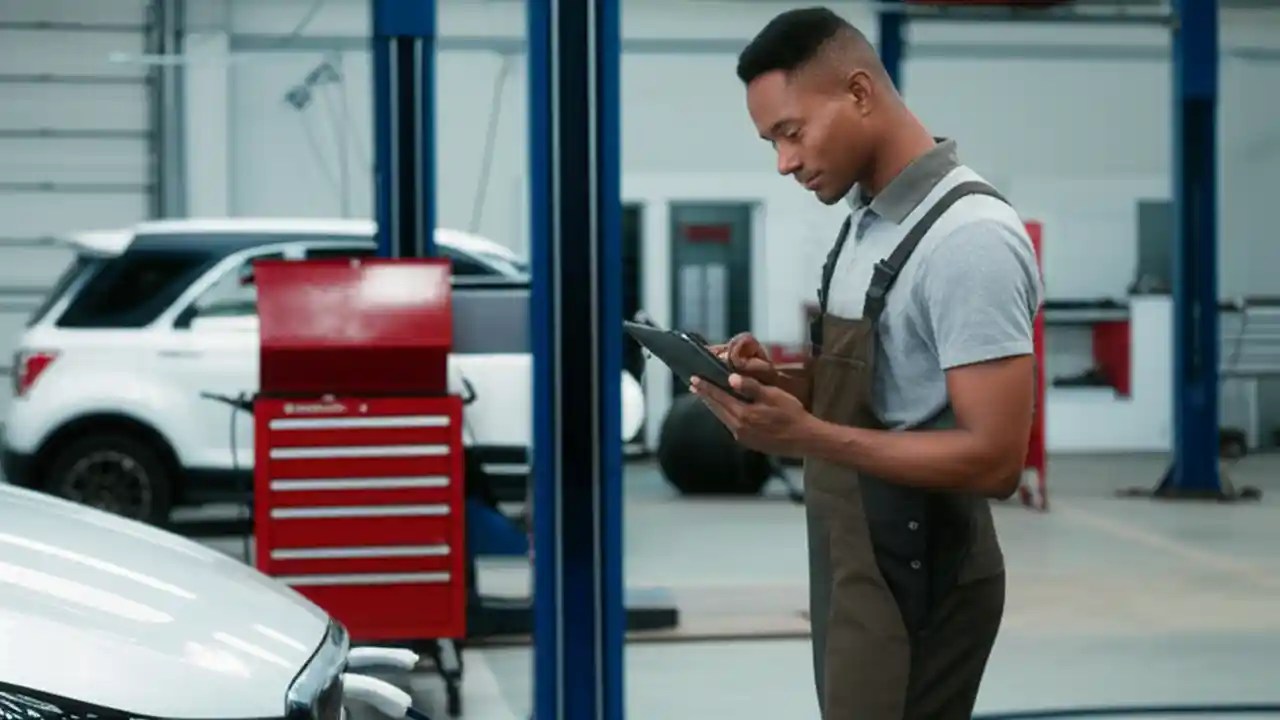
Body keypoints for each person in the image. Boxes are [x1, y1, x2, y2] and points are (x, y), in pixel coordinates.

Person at [689, 7, 1044, 720]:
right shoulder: (866, 222)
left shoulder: (968, 238)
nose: (784, 162)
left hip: (920, 580)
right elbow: (885, 390)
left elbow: (996, 461)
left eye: (791, 133)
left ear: (858, 93)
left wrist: (807, 437)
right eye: (771, 142)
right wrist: (780, 382)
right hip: (855, 564)